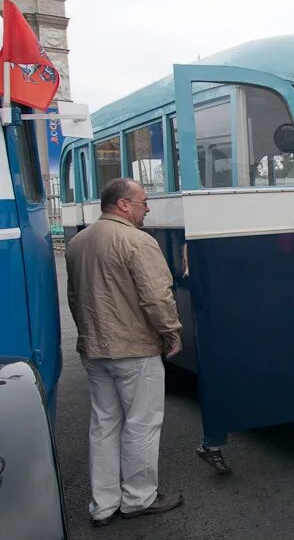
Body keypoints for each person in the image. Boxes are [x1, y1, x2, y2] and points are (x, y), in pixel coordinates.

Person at [66, 178, 185, 526]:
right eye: (143, 201)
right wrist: (171, 334)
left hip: (94, 350)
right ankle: (138, 498)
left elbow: (75, 299)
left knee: (103, 424)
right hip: (134, 350)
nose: (147, 208)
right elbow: (156, 296)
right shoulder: (137, 241)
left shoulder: (78, 242)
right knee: (142, 424)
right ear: (123, 205)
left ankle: (103, 504)